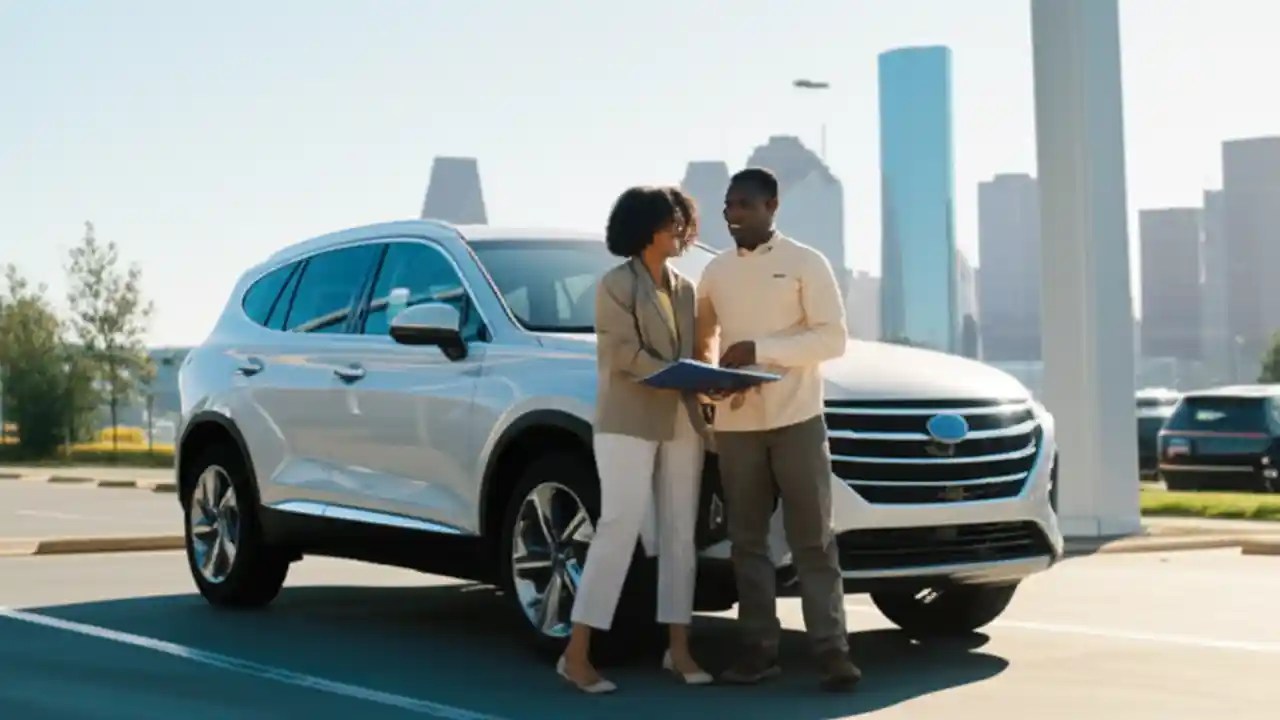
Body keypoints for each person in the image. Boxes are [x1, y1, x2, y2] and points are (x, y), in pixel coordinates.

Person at [693, 167, 861, 692]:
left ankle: (833, 651)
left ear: (772, 206)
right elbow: (703, 344)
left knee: (813, 541)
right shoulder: (715, 272)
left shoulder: (806, 262)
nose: (732, 213)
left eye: (743, 204)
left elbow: (832, 339)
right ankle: (758, 651)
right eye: (727, 204)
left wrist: (759, 352)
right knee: (747, 544)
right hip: (738, 426)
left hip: (798, 422)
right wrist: (709, 384)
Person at [556, 185, 715, 694]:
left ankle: (679, 647)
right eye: (675, 223)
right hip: (627, 420)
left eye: (684, 222)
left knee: (679, 537)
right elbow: (624, 354)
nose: (683, 232)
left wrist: (708, 380)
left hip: (681, 423)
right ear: (647, 227)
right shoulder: (614, 285)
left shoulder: (686, 289)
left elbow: (695, 352)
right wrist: (678, 374)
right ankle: (576, 653)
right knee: (619, 528)